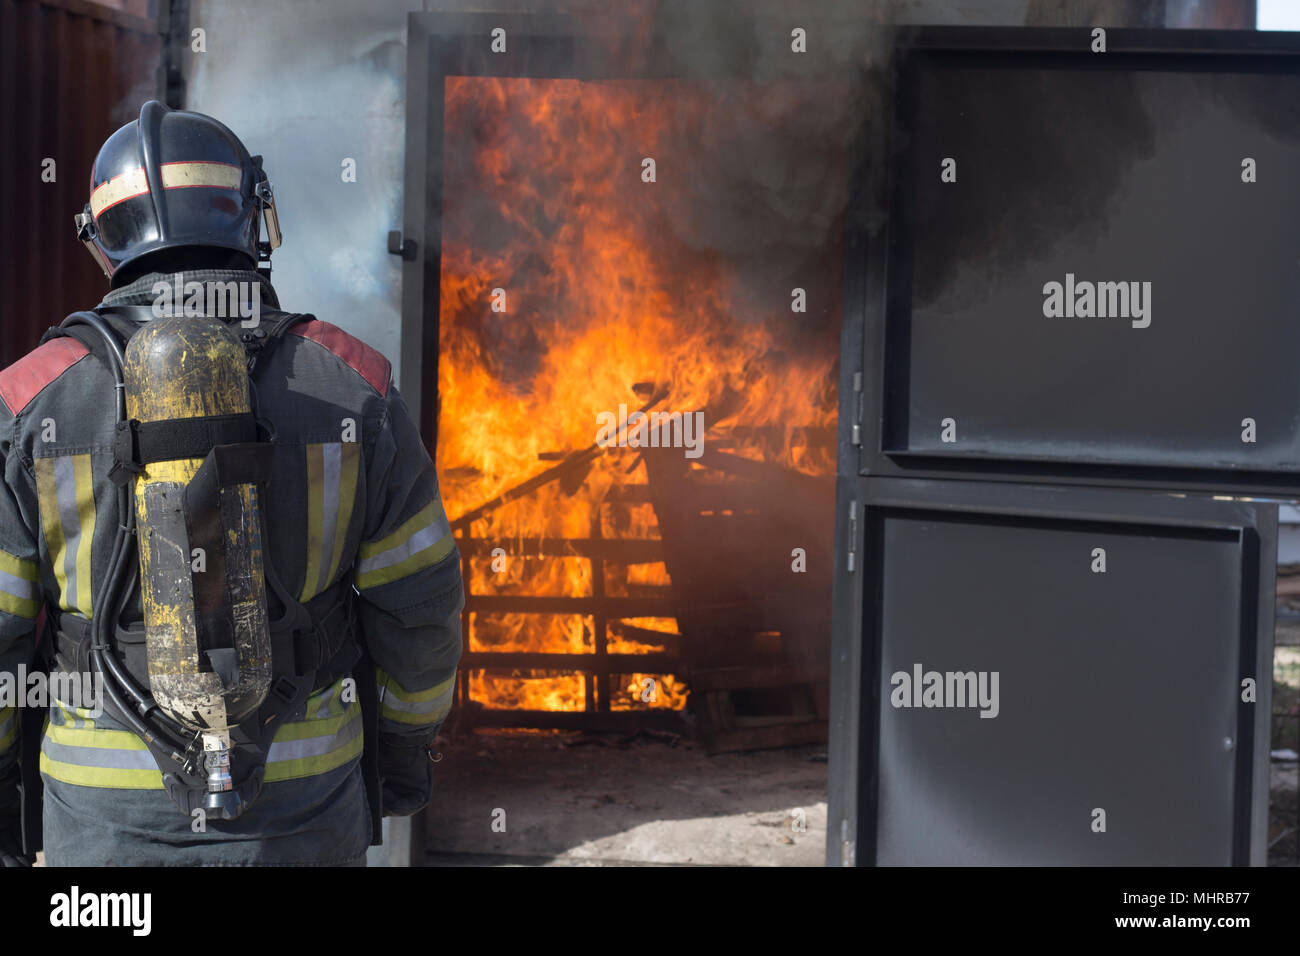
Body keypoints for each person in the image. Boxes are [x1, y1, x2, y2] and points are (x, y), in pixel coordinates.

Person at [0, 101, 462, 866]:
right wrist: (402, 756)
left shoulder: (30, 398)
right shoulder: (353, 384)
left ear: (104, 240)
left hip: (105, 825)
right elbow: (419, 608)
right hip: (303, 811)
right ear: (252, 215)